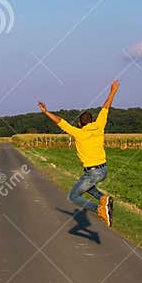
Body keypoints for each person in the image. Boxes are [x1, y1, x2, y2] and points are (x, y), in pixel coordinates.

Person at [37, 80, 119, 227]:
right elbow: (106, 106)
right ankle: (104, 200)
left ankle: (100, 210)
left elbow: (61, 122)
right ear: (91, 121)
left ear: (80, 124)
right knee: (89, 187)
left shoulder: (78, 133)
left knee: (73, 196)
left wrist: (46, 112)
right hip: (104, 169)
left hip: (92, 171)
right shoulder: (99, 126)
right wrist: (113, 91)